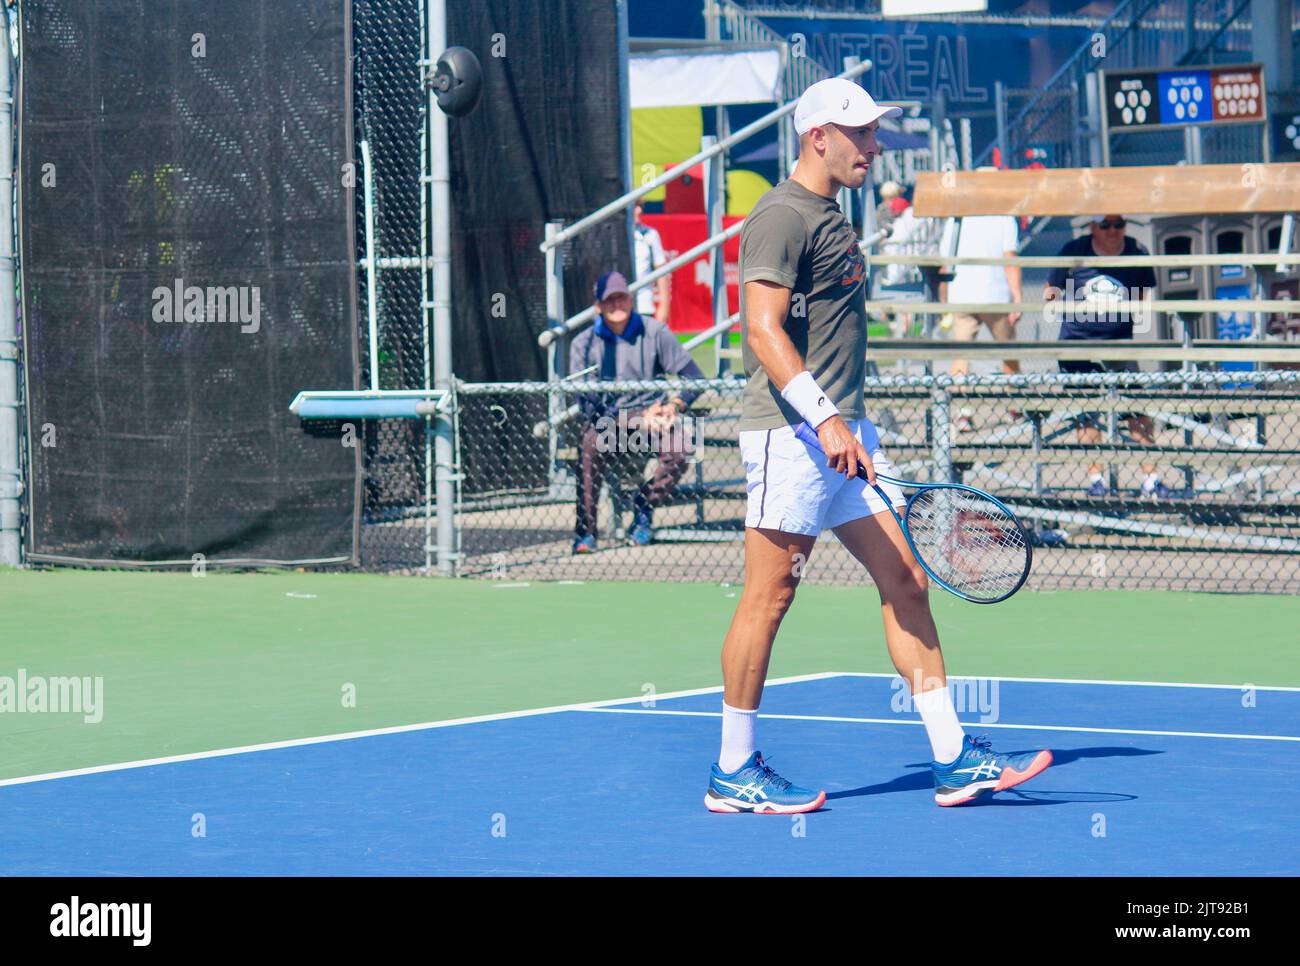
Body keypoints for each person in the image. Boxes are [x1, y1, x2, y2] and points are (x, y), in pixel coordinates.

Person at [707, 77, 1052, 814]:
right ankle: (733, 770)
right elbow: (760, 331)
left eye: (875, 131)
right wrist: (824, 418)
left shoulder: (831, 215)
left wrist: (845, 424)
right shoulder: (779, 216)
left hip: (847, 436)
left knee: (907, 579)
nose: (874, 146)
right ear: (817, 138)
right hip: (792, 436)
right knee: (770, 596)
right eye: (859, 132)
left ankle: (954, 758)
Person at [569, 271, 704, 552]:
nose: (616, 305)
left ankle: (643, 506)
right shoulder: (583, 343)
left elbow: (695, 378)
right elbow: (588, 406)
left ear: (631, 300)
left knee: (682, 448)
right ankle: (586, 532)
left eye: (621, 298)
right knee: (590, 446)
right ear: (597, 305)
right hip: (609, 424)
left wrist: (673, 406)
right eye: (609, 300)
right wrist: (636, 419)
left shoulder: (654, 331)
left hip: (654, 422)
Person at [1044, 214, 1167, 498]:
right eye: (1105, 225)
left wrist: (1123, 319)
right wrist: (1059, 304)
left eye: (1119, 224)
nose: (1113, 231)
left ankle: (1151, 480)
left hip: (1118, 343)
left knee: (1137, 410)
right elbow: (1050, 289)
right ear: (1092, 227)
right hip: (1078, 342)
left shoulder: (1137, 251)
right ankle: (1096, 480)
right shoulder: (1075, 250)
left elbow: (1142, 295)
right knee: (1088, 414)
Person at [943, 203, 1023, 430]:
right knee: (1008, 351)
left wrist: (944, 298)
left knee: (961, 356)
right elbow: (1010, 259)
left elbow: (945, 260)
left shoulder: (956, 216)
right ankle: (1014, 405)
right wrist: (1017, 296)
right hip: (995, 293)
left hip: (962, 293)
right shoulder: (1003, 217)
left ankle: (962, 412)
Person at [633, 204, 671, 324]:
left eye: (640, 205)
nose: (639, 210)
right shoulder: (612, 234)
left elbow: (661, 272)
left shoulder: (650, 234)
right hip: (618, 306)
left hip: (644, 305)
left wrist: (664, 306)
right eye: (634, 206)